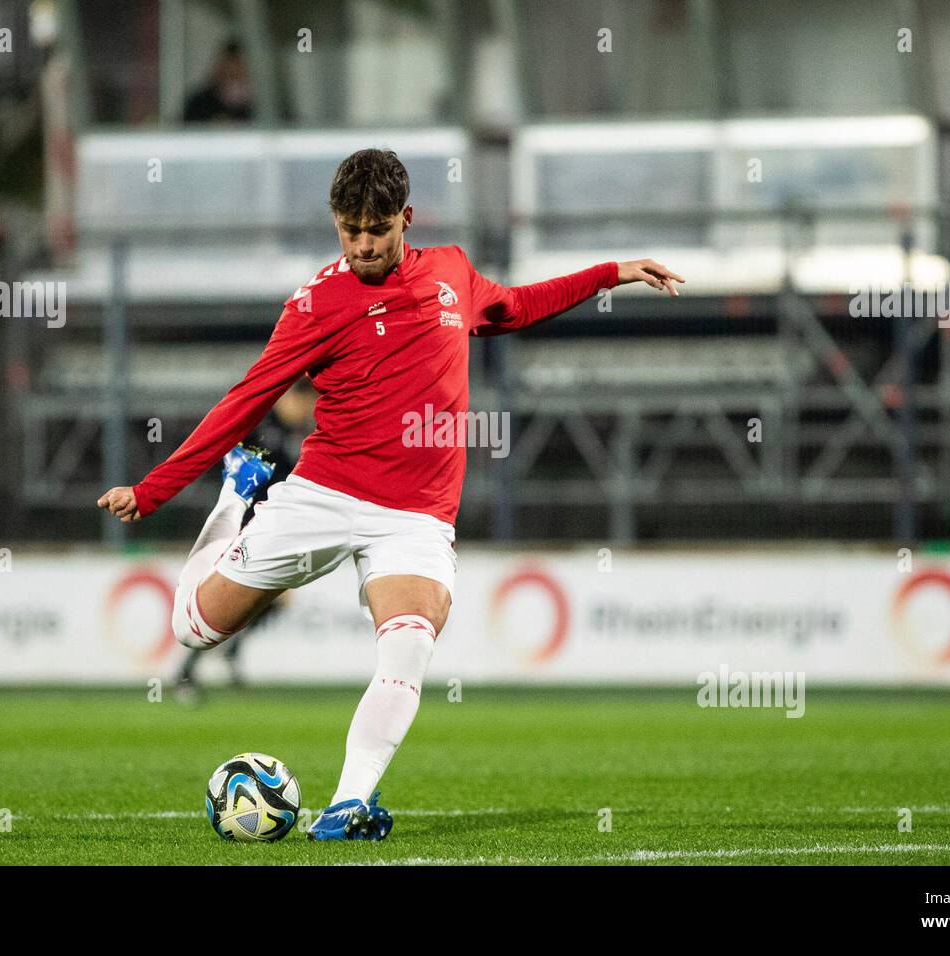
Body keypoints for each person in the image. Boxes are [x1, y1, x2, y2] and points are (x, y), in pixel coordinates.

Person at [97, 148, 683, 841]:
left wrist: (611, 272)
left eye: (378, 229)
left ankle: (346, 805)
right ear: (336, 224)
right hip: (322, 493)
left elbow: (514, 307)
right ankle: (237, 493)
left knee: (408, 645)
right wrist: (155, 489)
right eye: (351, 231)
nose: (365, 245)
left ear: (406, 218)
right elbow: (246, 399)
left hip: (415, 517)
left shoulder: (450, 274)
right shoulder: (316, 303)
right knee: (193, 628)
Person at [173, 380, 316, 703]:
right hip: (239, 524)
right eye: (305, 402)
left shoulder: (296, 431)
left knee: (272, 599)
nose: (309, 410)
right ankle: (187, 671)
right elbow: (229, 470)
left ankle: (225, 655)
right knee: (222, 602)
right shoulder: (260, 427)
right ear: (290, 398)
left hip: (265, 527)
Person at [183, 41, 255, 124]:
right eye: (230, 74)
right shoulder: (198, 103)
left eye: (238, 75)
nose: (234, 82)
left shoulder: (245, 106)